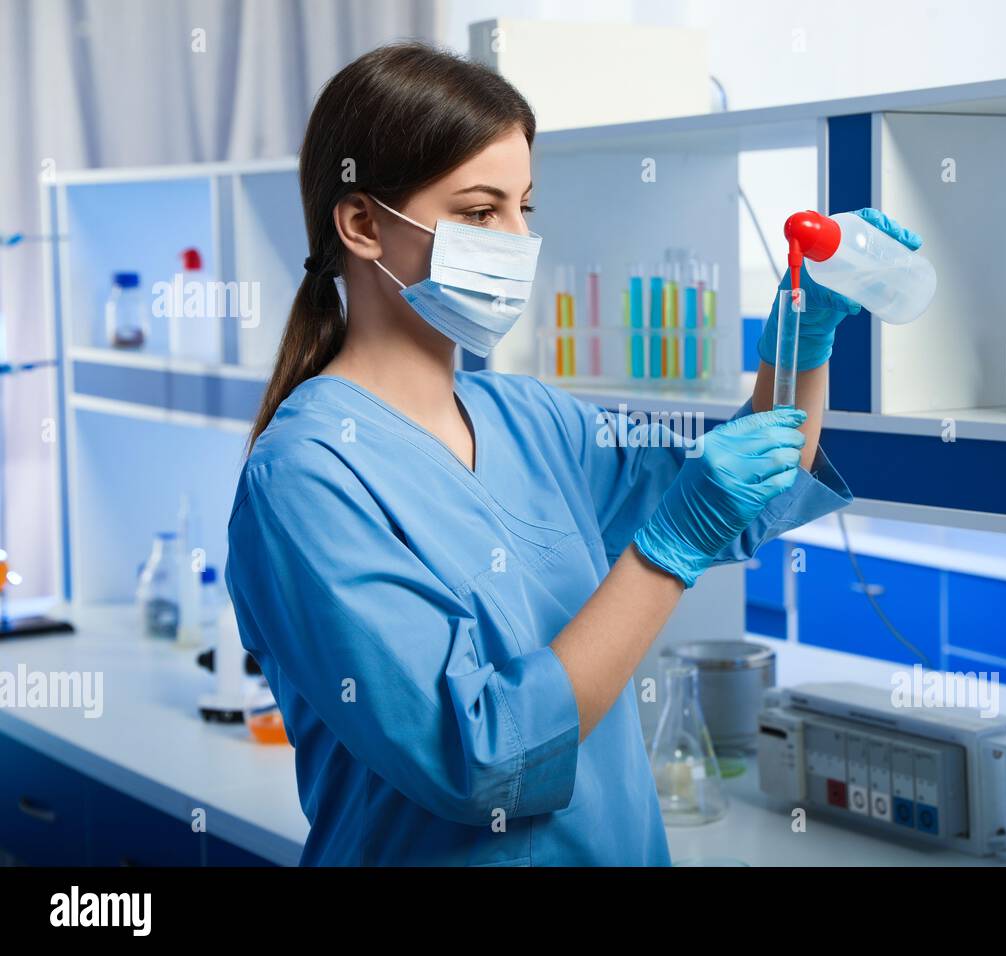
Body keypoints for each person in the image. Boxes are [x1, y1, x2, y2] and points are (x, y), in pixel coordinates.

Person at [226, 41, 922, 866]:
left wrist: (801, 342)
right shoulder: (305, 478)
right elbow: (478, 760)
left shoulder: (531, 420)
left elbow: (755, 494)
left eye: (525, 206)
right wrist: (669, 549)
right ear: (364, 223)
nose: (519, 239)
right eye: (481, 213)